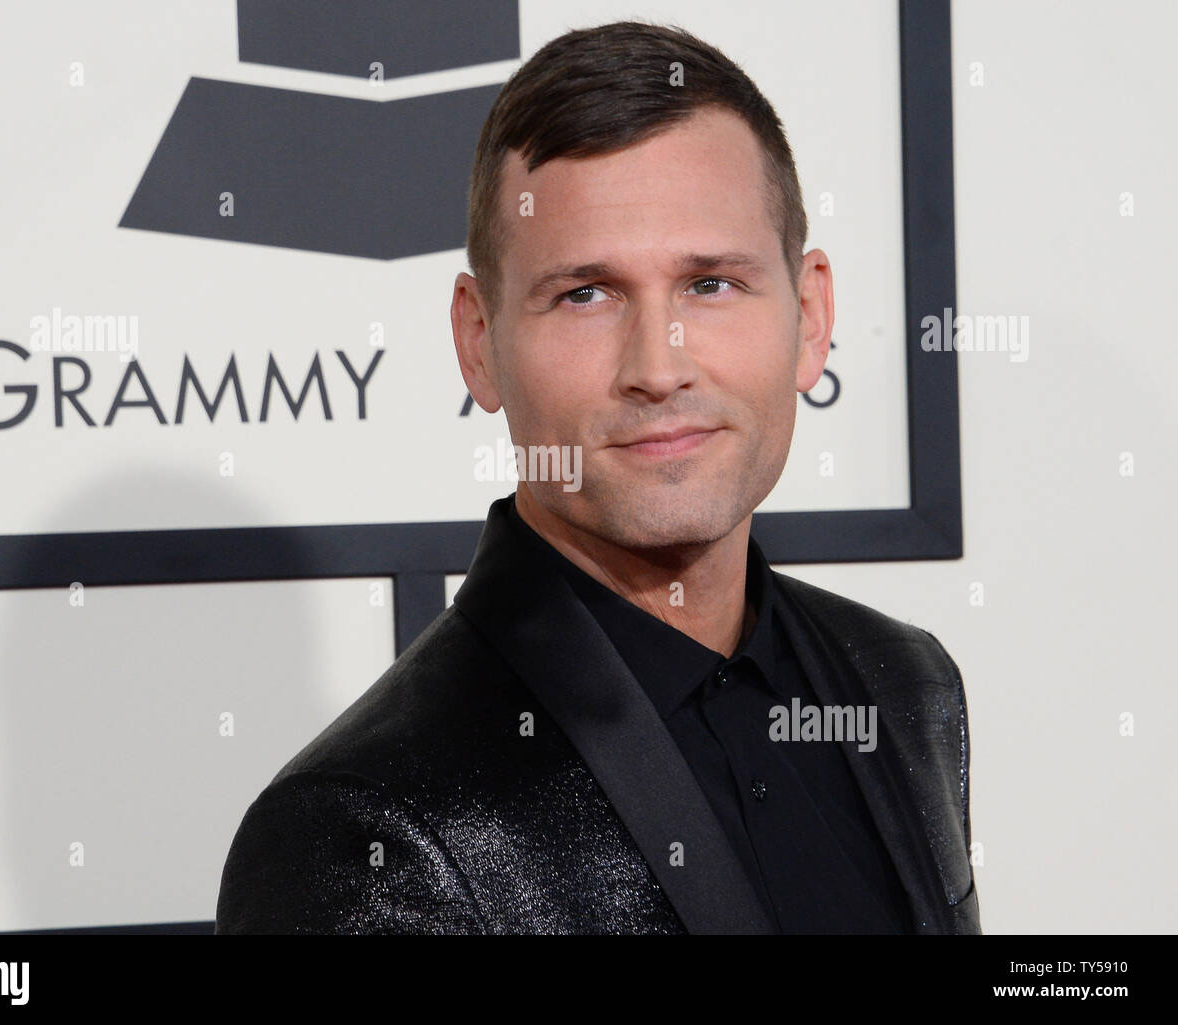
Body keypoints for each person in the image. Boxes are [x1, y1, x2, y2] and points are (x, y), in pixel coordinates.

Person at [215, 19, 979, 935]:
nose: (659, 366)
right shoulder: (364, 828)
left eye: (711, 284)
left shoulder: (905, 685)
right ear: (479, 342)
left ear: (811, 316)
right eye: (586, 293)